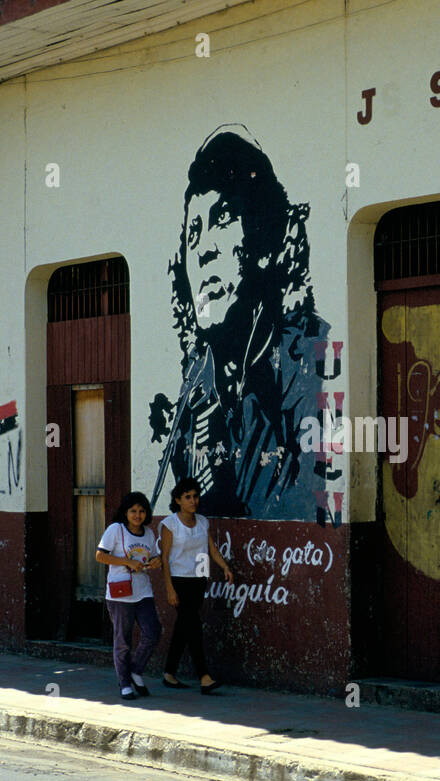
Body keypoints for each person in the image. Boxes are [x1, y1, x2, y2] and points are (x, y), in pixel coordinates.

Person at [150, 124, 329, 520]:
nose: (204, 250)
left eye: (222, 220)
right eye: (193, 234)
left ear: (263, 240)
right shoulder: (195, 393)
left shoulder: (306, 362)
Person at [159, 477, 233, 694]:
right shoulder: (169, 524)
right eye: (188, 497)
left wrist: (225, 567)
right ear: (178, 500)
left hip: (199, 578)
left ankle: (169, 672)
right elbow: (164, 558)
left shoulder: (202, 521)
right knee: (193, 626)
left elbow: (211, 548)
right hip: (179, 579)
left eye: (195, 496)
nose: (193, 501)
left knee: (184, 626)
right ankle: (204, 676)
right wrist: (169, 588)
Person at [95, 491, 163, 700]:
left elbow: (153, 556)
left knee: (153, 631)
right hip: (120, 593)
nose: (137, 515)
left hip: (143, 591)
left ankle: (135, 670)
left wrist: (156, 562)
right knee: (122, 640)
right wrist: (126, 561)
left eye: (142, 511)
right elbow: (100, 556)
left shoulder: (149, 534)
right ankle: (124, 683)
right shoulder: (116, 530)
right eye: (133, 511)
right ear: (125, 512)